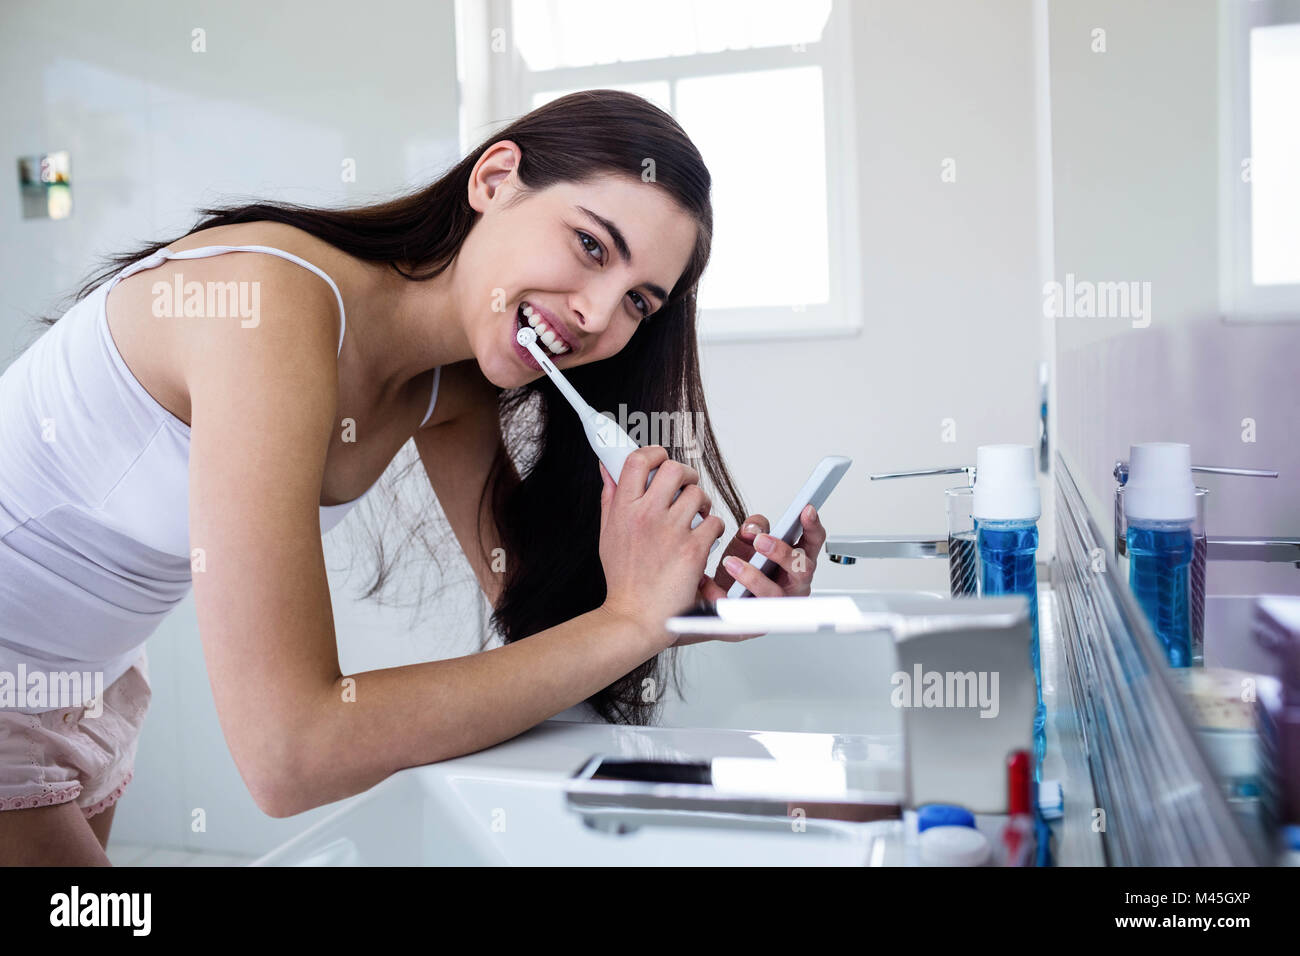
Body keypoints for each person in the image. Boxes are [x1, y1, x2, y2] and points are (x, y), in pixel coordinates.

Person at [0, 90, 826, 864]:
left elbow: (543, 631)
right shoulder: (266, 310)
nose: (599, 315)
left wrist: (684, 607)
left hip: (89, 683)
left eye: (639, 302)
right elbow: (289, 754)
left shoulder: (456, 386)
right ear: (495, 180)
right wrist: (629, 622)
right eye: (589, 245)